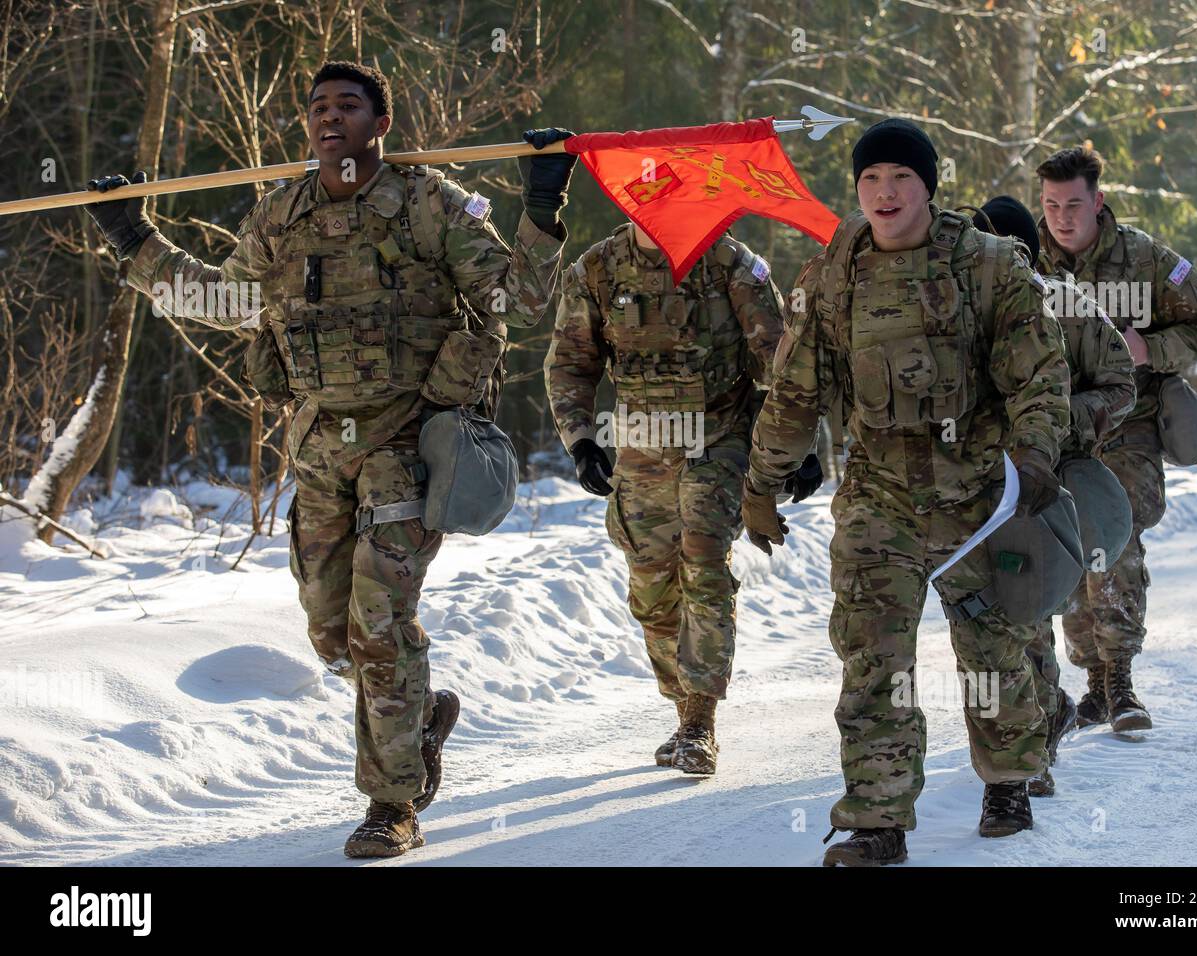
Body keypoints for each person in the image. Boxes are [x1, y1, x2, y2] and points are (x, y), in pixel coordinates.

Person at [85, 61, 575, 858]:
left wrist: (543, 203)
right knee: (330, 631)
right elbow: (223, 301)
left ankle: (392, 805)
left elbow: (515, 300)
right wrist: (132, 236)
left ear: (380, 123)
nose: (329, 116)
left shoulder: (427, 205)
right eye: (317, 106)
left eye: (349, 105)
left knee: (379, 624)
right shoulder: (281, 213)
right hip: (318, 447)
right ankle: (415, 721)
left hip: (406, 445)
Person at [742, 118, 1072, 865]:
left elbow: (1039, 376)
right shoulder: (833, 273)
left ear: (928, 186)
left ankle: (1009, 778)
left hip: (981, 495)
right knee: (873, 655)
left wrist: (1035, 457)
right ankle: (877, 819)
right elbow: (796, 389)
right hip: (880, 495)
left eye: (900, 179)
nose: (884, 194)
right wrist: (761, 480)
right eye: (869, 180)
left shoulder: (990, 267)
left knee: (994, 649)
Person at [545, 220, 808, 775]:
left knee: (704, 564)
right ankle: (683, 702)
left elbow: (778, 359)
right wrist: (582, 440)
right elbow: (571, 360)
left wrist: (794, 440)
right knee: (651, 587)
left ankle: (699, 721)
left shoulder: (729, 264)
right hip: (641, 444)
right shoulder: (596, 269)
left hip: (719, 437)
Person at [1036, 147, 1197, 732]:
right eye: (1049, 205)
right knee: (1069, 542)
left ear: (1097, 200)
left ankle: (1120, 681)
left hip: (1128, 421)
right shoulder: (1021, 260)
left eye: (1073, 204)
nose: (1062, 218)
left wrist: (1151, 350)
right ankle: (1091, 682)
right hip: (1060, 425)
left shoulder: (1143, 257)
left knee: (1114, 536)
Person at [975, 195, 1136, 795]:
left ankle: (1035, 736)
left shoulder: (1067, 304)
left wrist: (1057, 422)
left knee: (1027, 603)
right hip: (978, 482)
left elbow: (1121, 385)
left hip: (1051, 480)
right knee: (994, 610)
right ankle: (1040, 719)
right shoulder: (958, 305)